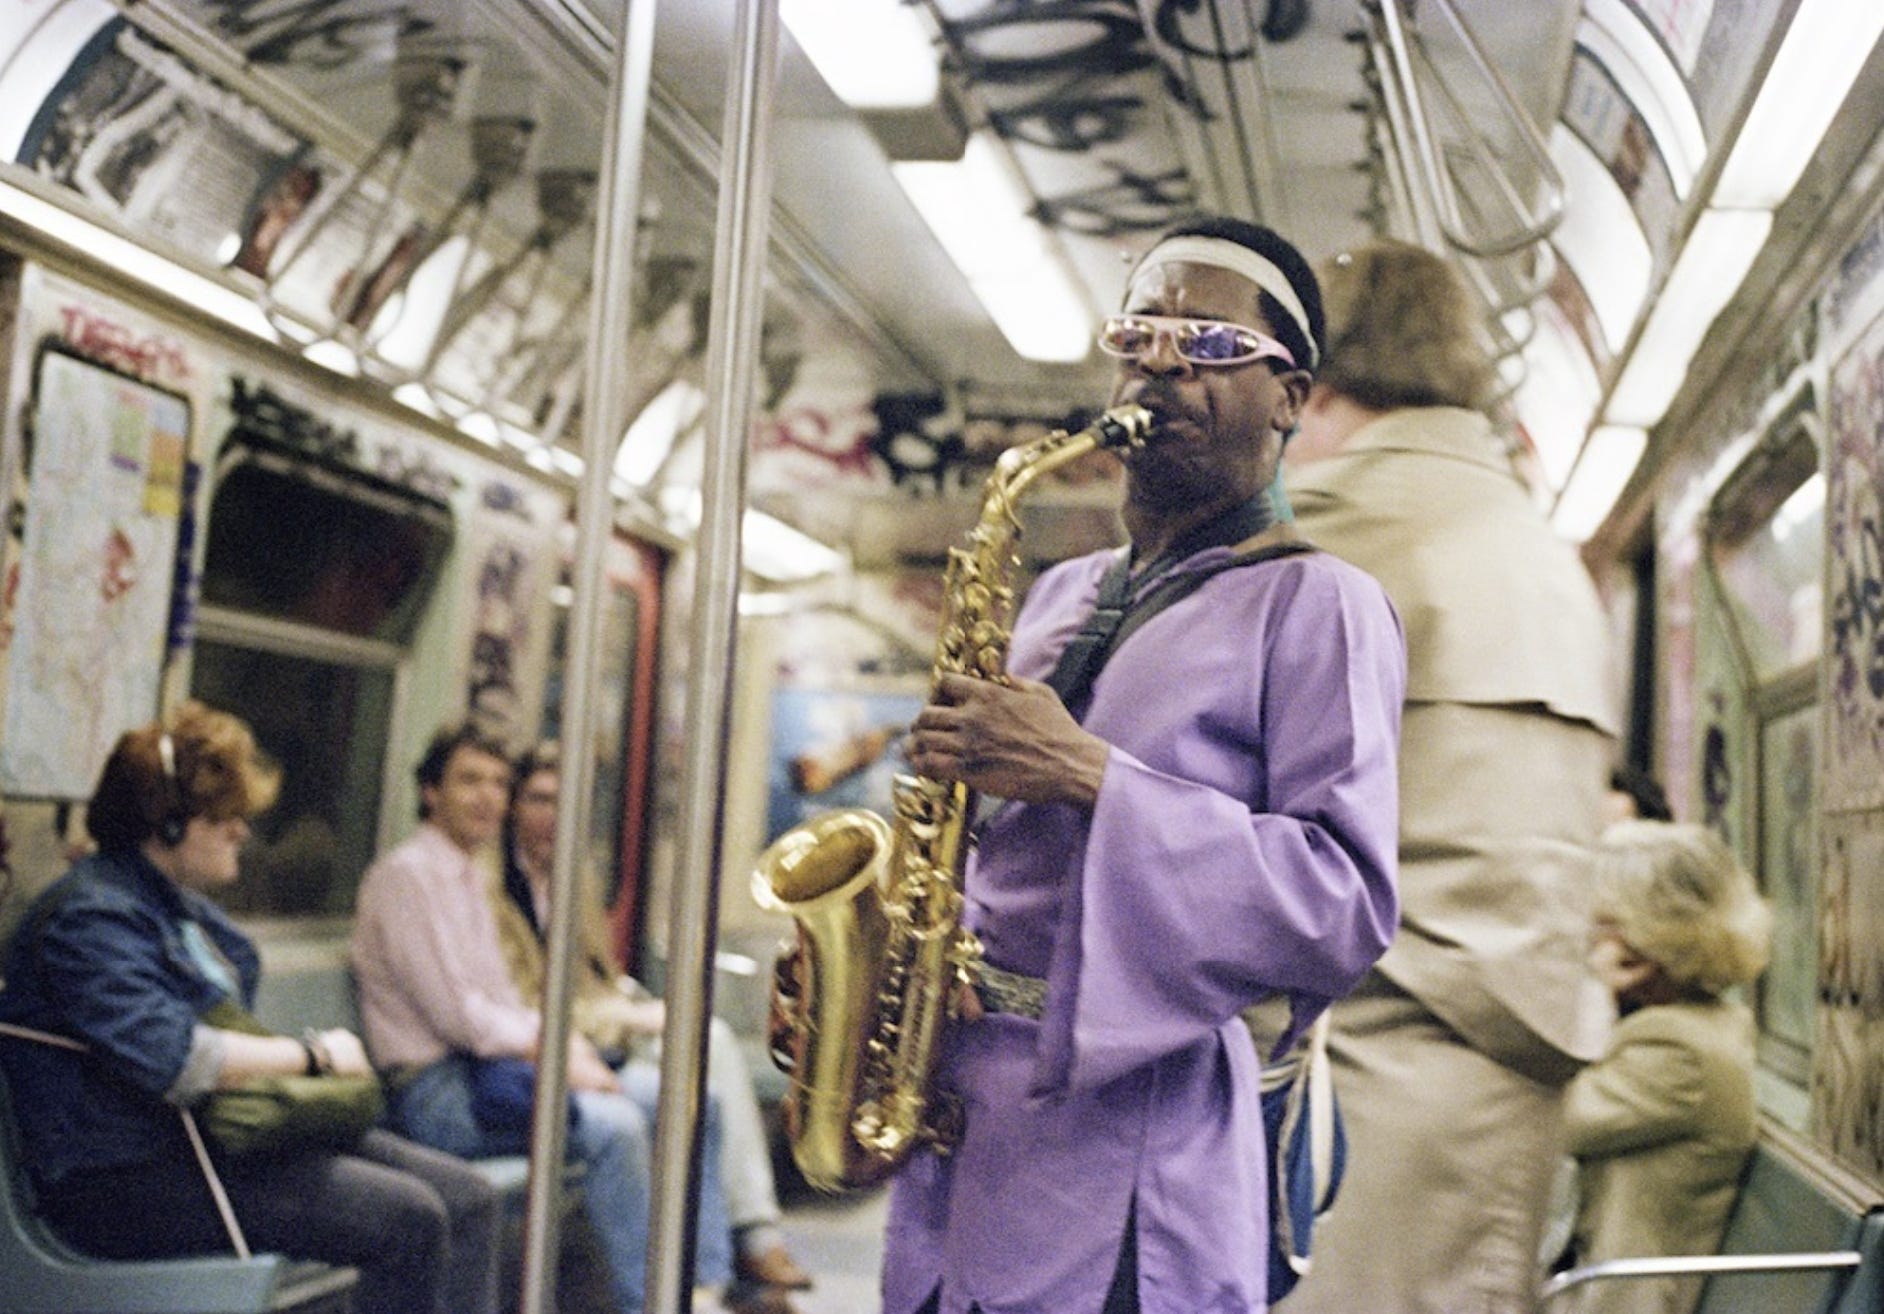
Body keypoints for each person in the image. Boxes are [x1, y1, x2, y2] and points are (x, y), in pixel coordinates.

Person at [879, 215, 1406, 1313]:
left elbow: (1344, 908)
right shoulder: (1064, 591)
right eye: (1140, 335)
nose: (1162, 364)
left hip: (1126, 1162)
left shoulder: (1323, 605)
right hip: (959, 1126)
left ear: (1290, 396)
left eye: (1210, 345)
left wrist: (1091, 777)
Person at [1281, 239, 1620, 1314]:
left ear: (1317, 392)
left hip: (1373, 1054)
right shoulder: (1529, 541)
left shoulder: (1348, 521)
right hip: (1496, 1054)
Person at [0, 702, 500, 1314]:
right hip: (124, 1173)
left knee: (471, 1198)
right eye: (226, 815)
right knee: (407, 1220)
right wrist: (312, 1057)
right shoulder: (92, 919)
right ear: (170, 825)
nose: (242, 830)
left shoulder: (174, 909)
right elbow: (178, 1058)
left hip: (209, 1138)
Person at [350, 721, 730, 1314]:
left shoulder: (466, 878)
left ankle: (705, 1282)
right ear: (431, 792)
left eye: (499, 783)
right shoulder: (407, 878)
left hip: (494, 1073)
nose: (488, 797)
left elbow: (503, 1000)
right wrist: (563, 1061)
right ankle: (649, 1302)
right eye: (469, 780)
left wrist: (568, 1055)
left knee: (686, 1099)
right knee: (616, 1127)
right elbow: (462, 1020)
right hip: (440, 1091)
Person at [496, 741, 813, 1314]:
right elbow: (526, 1002)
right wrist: (631, 1016)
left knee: (704, 1060)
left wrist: (635, 1003)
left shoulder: (574, 878)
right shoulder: (495, 896)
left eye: (564, 802)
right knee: (699, 1051)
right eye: (540, 800)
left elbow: (597, 974)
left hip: (600, 1027)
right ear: (515, 807)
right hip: (564, 1041)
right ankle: (746, 1241)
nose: (552, 815)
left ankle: (725, 1262)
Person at [1563, 821, 1771, 1314]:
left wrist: (1591, 987)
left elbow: (1548, 1123)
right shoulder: (1708, 1022)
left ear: (1647, 934)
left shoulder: (1678, 1051)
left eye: (1602, 923)